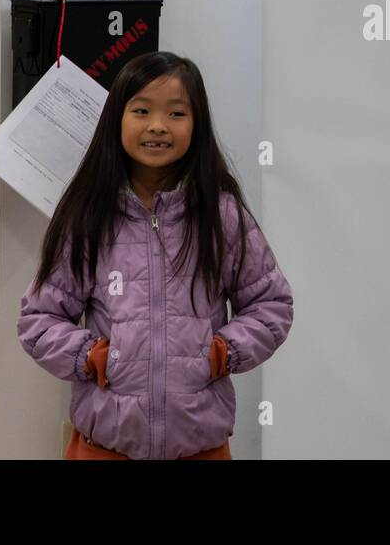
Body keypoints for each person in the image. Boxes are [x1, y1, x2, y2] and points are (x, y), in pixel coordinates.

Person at [18, 51, 293, 459]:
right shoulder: (88, 217)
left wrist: (222, 351)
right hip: (103, 448)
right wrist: (92, 357)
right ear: (117, 120)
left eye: (177, 114)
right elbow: (38, 320)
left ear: (197, 125)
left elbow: (272, 305)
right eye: (141, 110)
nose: (158, 126)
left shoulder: (222, 216)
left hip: (201, 447)